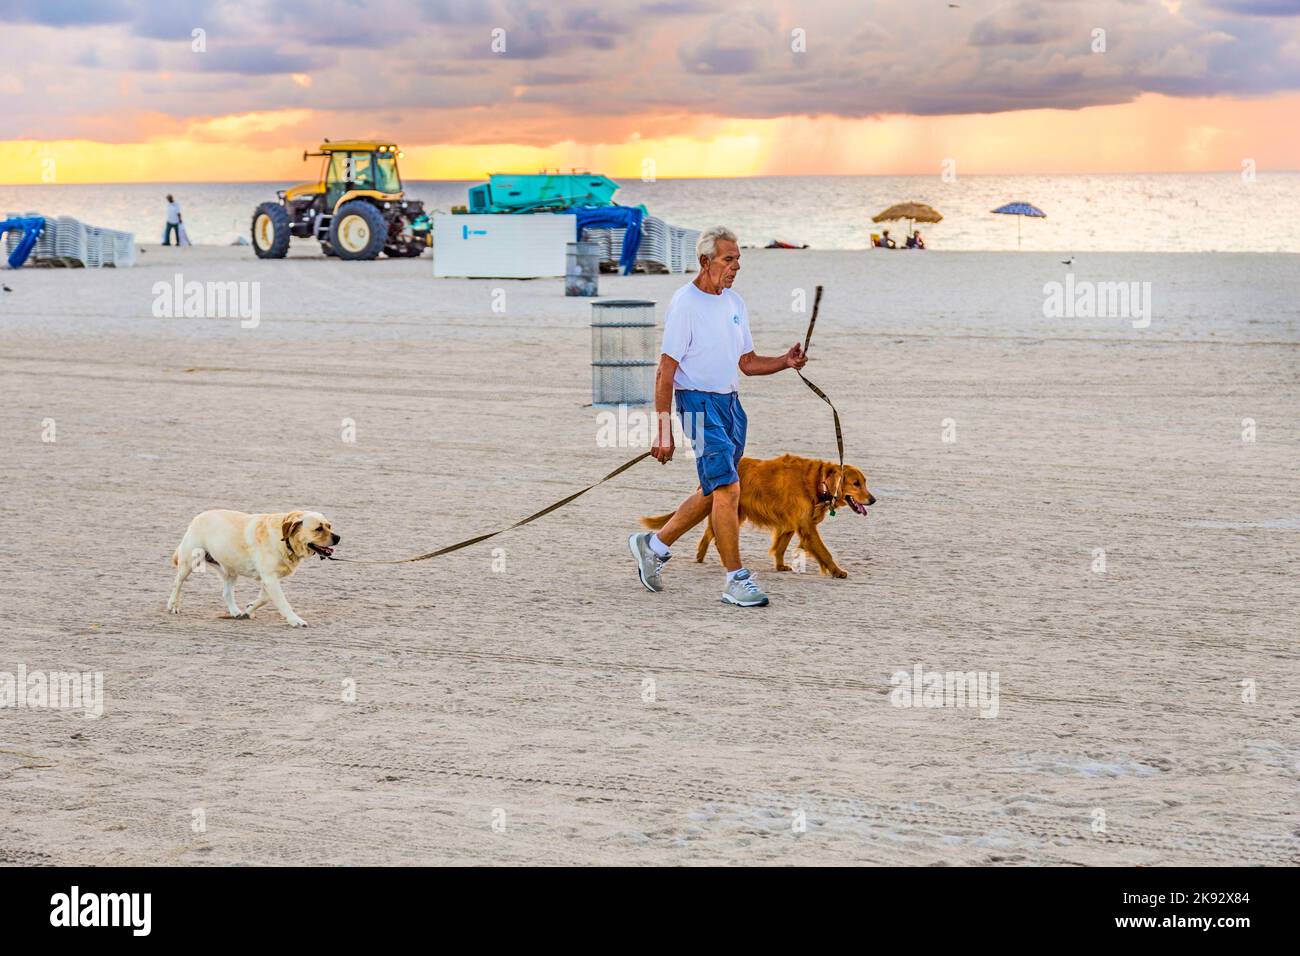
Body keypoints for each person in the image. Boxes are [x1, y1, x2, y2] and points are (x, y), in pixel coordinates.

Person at [628, 226, 807, 608]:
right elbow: (665, 371)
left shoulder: (734, 302)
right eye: (728, 260)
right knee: (728, 489)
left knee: (713, 488)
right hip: (697, 403)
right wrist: (663, 431)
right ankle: (735, 581)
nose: (735, 267)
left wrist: (784, 362)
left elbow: (747, 362)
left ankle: (654, 545)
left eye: (738, 259)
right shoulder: (686, 304)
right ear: (705, 262)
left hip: (731, 405)